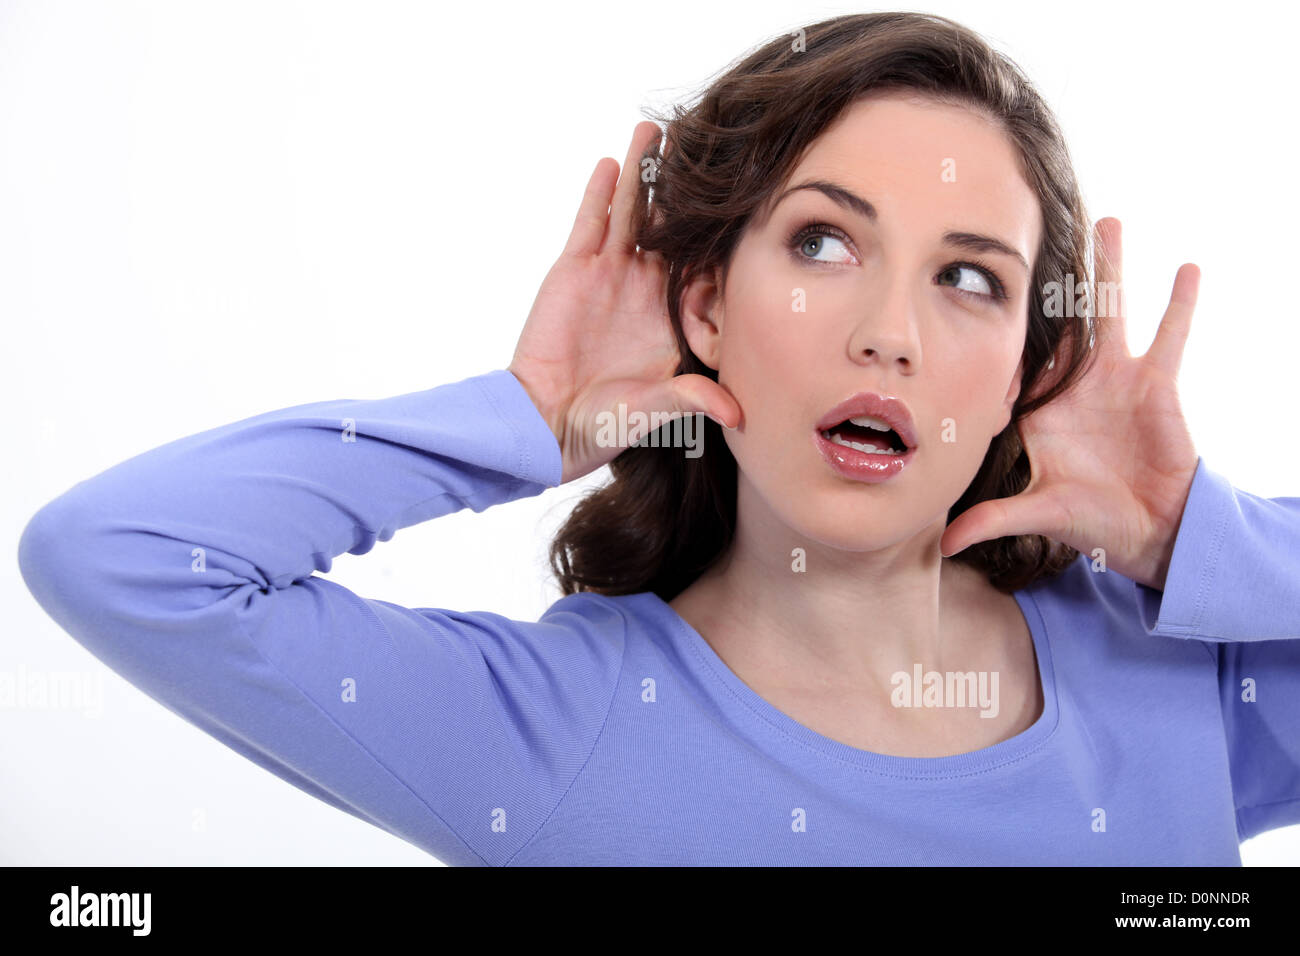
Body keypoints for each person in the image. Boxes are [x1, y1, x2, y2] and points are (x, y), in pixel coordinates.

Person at [18, 12, 1300, 866]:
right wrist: (518, 421)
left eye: (968, 278)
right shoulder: (549, 729)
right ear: (704, 304)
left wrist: (1195, 537)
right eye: (822, 242)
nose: (889, 334)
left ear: (1030, 364)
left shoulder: (1178, 679)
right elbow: (117, 554)